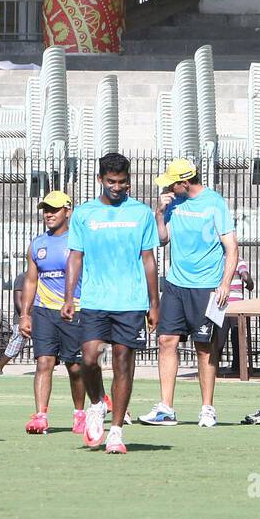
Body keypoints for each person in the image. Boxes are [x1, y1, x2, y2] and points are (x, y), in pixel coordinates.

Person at [63, 153, 160, 454]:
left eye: (123, 182)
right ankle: (96, 404)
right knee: (89, 359)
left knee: (122, 361)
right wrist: (69, 297)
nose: (117, 188)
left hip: (130, 301)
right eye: (111, 182)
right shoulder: (83, 214)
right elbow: (75, 257)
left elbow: (149, 260)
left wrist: (154, 303)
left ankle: (116, 431)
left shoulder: (141, 213)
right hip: (95, 298)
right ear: (100, 180)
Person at [142, 159, 238, 428]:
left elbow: (231, 247)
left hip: (207, 286)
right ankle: (166, 408)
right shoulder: (174, 203)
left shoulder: (214, 203)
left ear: (185, 182)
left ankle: (207, 408)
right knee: (166, 341)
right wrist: (159, 214)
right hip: (175, 285)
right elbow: (162, 239)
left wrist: (225, 283)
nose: (169, 187)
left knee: (205, 348)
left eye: (173, 182)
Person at [19, 191, 109, 436]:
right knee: (43, 362)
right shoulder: (37, 243)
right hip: (43, 311)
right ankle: (40, 416)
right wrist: (25, 314)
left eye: (54, 209)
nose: (49, 214)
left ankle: (80, 413)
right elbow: (30, 280)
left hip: (75, 311)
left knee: (75, 366)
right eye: (46, 209)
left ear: (68, 211)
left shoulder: (79, 241)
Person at [0, 274, 27, 376]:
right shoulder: (22, 277)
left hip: (39, 316)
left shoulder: (41, 278)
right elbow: (18, 300)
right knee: (17, 343)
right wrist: (25, 316)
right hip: (23, 317)